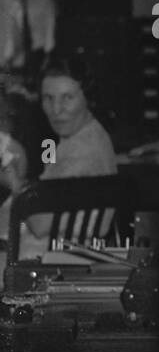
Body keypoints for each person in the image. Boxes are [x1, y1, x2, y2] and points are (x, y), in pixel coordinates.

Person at [0, 54, 117, 256]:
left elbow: (39, 222)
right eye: (48, 98)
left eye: (67, 98)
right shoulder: (84, 135)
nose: (56, 110)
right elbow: (49, 174)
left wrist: (16, 183)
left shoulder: (83, 152)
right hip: (51, 255)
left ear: (87, 97)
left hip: (46, 264)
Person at [2, 0, 58, 76]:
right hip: (24, 56)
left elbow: (50, 30)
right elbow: (13, 37)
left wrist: (48, 55)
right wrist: (7, 58)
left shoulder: (44, 2)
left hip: (42, 52)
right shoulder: (14, 7)